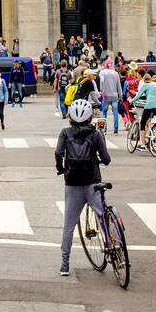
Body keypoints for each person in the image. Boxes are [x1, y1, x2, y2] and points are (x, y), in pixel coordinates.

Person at [54, 96, 111, 276]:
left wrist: (61, 168)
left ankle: (65, 264)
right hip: (92, 181)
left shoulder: (65, 133)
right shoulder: (96, 134)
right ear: (90, 117)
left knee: (69, 225)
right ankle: (112, 244)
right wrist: (101, 160)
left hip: (72, 183)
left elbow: (57, 152)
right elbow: (107, 159)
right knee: (103, 217)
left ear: (70, 116)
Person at [131, 72, 156, 148]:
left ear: (143, 80)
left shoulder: (145, 85)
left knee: (143, 123)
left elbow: (138, 96)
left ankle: (143, 144)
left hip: (150, 105)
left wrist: (131, 101)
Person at [97, 59, 122, 135]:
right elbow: (119, 85)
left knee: (104, 113)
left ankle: (104, 129)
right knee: (115, 113)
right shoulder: (115, 73)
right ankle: (115, 130)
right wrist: (120, 95)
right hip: (114, 95)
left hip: (106, 95)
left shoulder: (103, 72)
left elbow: (101, 81)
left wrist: (102, 91)